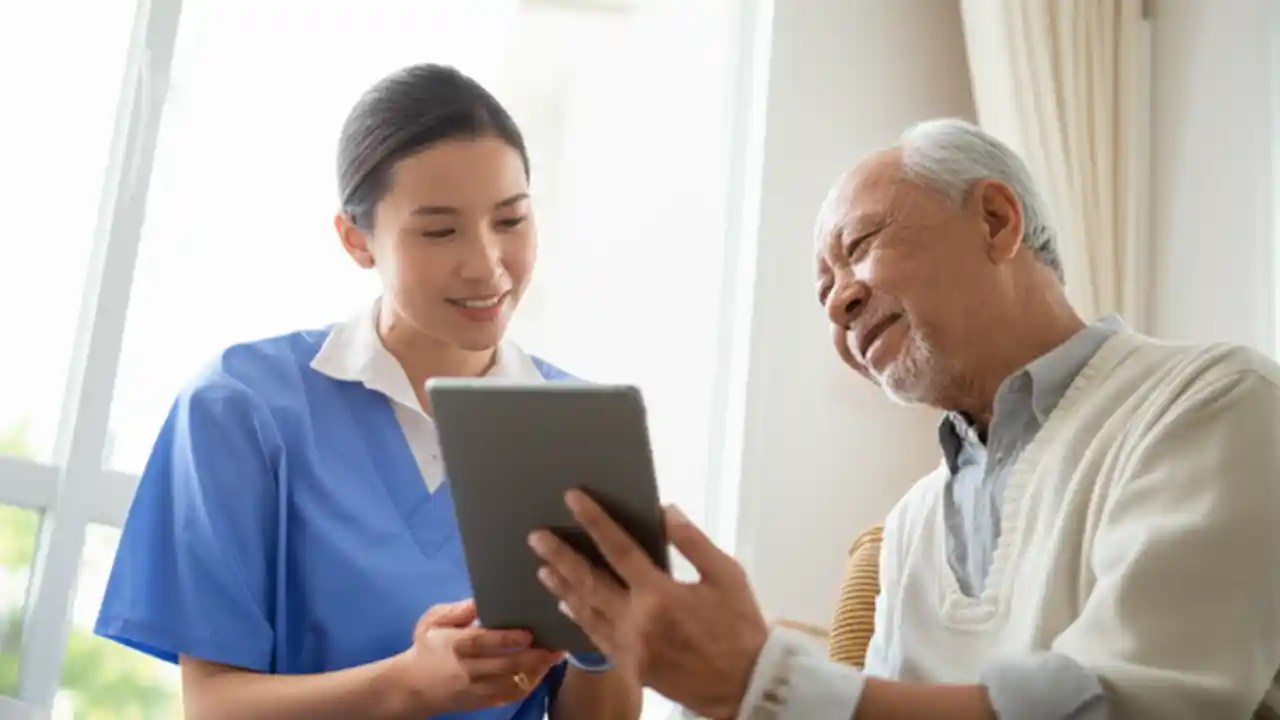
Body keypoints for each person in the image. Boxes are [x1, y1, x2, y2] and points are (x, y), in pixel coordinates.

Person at [528, 118, 1280, 719]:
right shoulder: (912, 524)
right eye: (822, 289)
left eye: (858, 248)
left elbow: (1124, 705)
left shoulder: (1211, 399)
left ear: (995, 219)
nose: (837, 300)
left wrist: (766, 686)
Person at [95, 63, 641, 720]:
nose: (487, 263)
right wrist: (409, 684)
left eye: (510, 220)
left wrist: (607, 638)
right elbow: (214, 707)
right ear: (357, 240)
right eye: (440, 230)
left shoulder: (579, 429)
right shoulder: (241, 407)